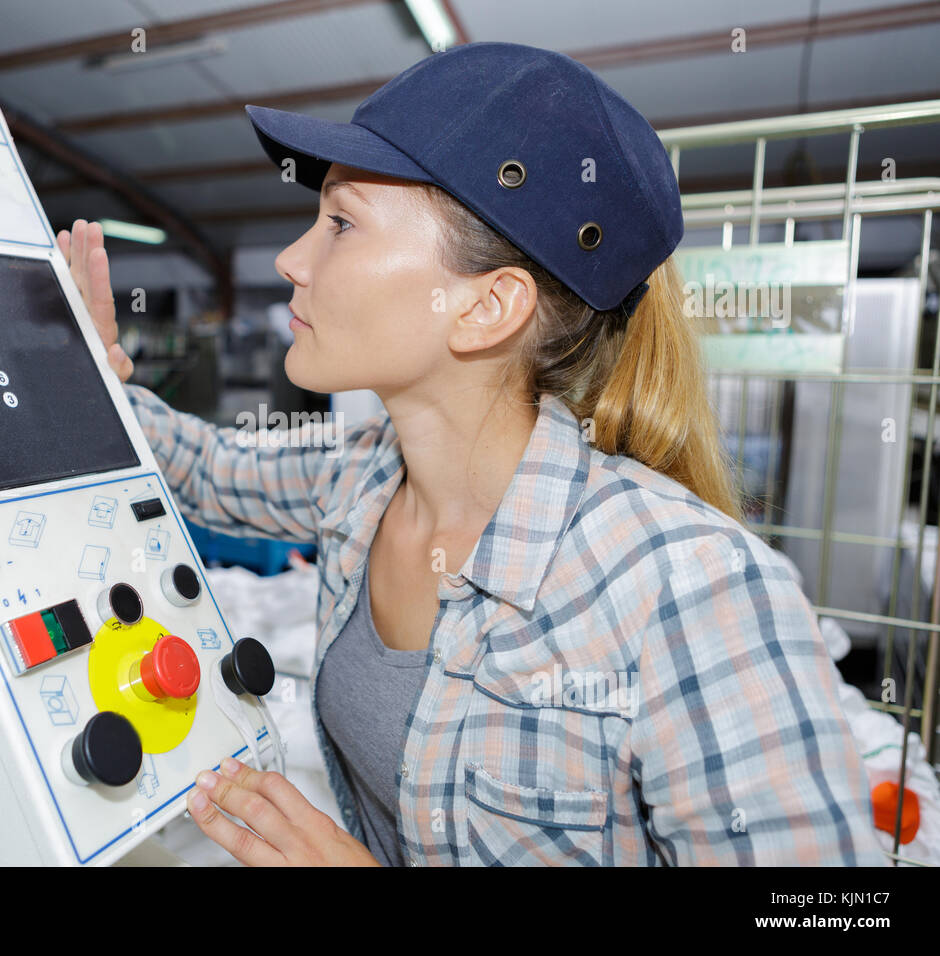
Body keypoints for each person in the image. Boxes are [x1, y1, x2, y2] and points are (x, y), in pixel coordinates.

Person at [57, 41, 882, 867]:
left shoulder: (691, 592)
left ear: (487, 308)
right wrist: (85, 371)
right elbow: (200, 466)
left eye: (342, 224)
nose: (291, 260)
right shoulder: (365, 479)